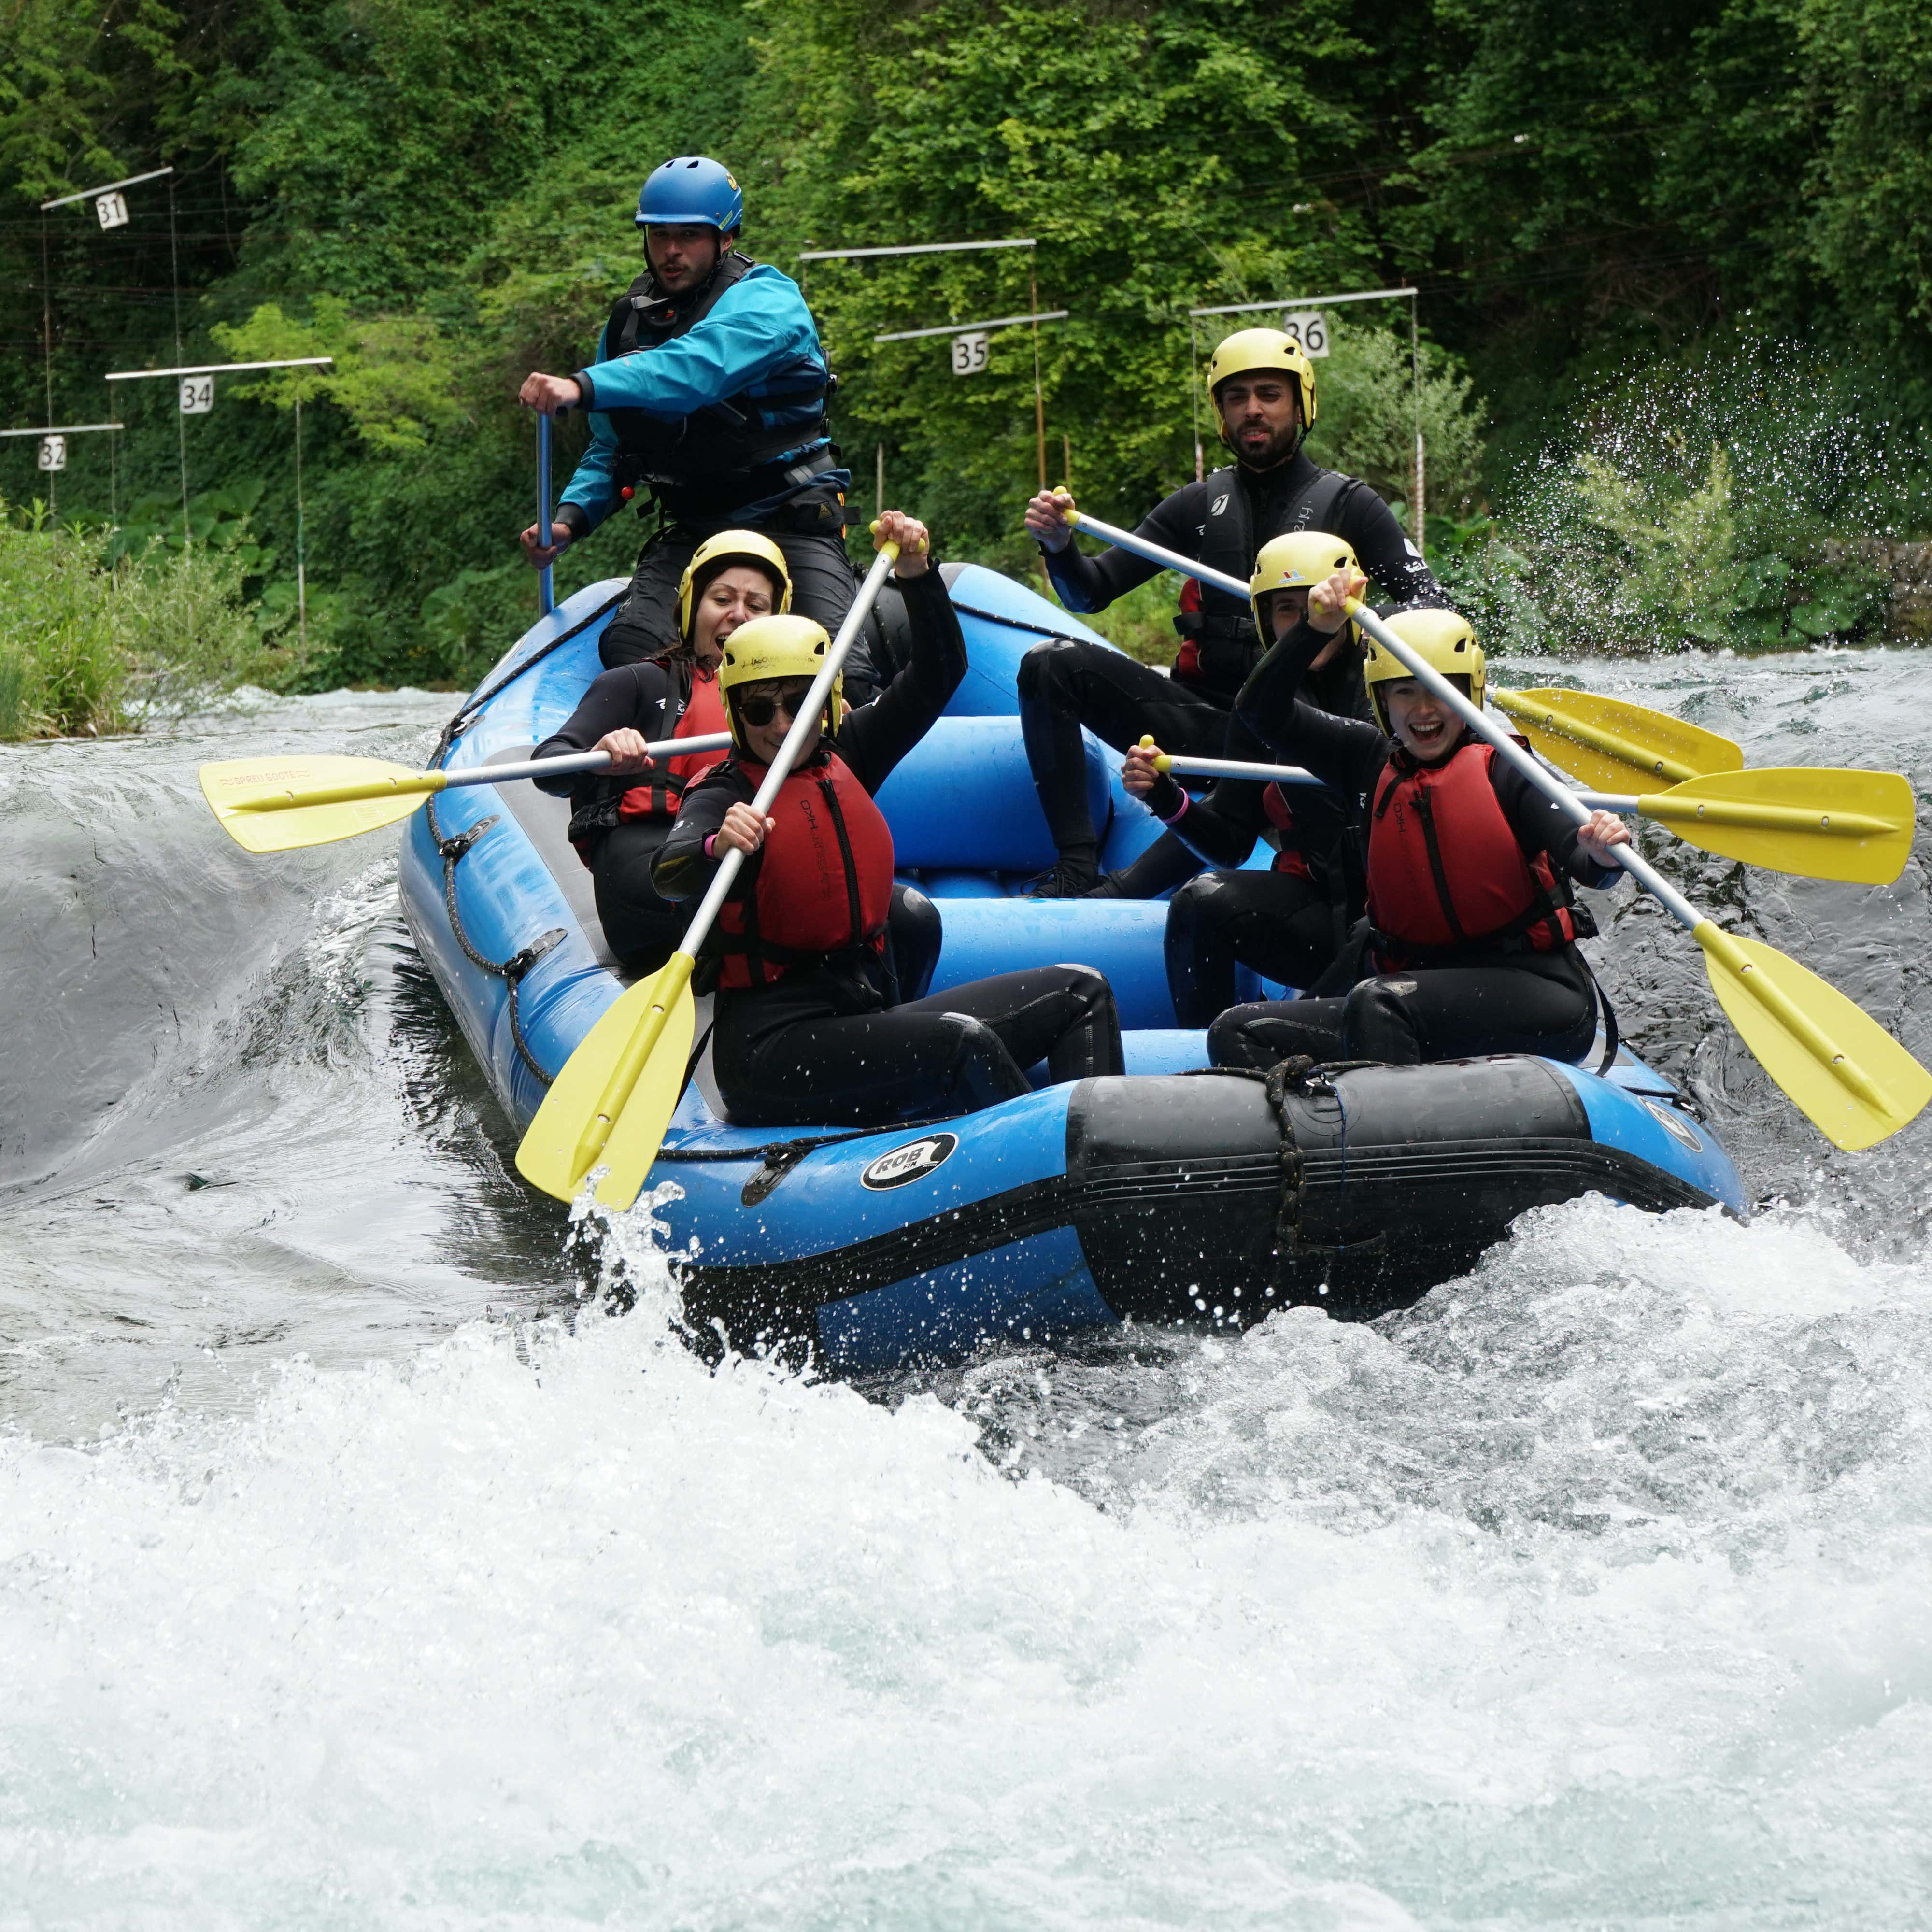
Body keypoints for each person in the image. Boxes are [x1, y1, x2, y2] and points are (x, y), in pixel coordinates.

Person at [654, 513, 1124, 1128]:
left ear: (828, 702)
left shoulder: (849, 751)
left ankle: (1108, 1147)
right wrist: (717, 846)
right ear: (737, 713)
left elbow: (938, 675)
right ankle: (1047, 1166)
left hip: (863, 1012)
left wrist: (918, 574)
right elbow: (671, 870)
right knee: (962, 1043)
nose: (782, 725)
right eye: (760, 710)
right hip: (771, 1052)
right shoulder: (724, 794)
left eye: (800, 704)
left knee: (1081, 991)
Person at [1015, 326, 1446, 896]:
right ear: (1221, 413)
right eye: (1236, 397)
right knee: (1049, 664)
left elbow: (1431, 607)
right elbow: (1090, 593)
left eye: (1269, 394)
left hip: (1295, 726)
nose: (1252, 410)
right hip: (1207, 721)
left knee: (1273, 723)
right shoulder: (1197, 505)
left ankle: (1124, 890)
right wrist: (1058, 547)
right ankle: (1075, 866)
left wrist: (1350, 614)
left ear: (1301, 403)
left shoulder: (1353, 508)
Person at [1175, 575, 1631, 1070]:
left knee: (1379, 1003)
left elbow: (1586, 861)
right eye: (1405, 692)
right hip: (1410, 989)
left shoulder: (1508, 769)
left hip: (1537, 992)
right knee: (1241, 1030)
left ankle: (1392, 1120)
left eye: (1439, 691)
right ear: (1381, 700)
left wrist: (1601, 850)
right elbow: (1259, 711)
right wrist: (1313, 628)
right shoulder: (1365, 758)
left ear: (1469, 693)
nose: (1424, 710)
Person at [516, 156, 873, 686]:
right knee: (632, 648)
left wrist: (583, 386)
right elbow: (614, 446)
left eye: (689, 235)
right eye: (659, 235)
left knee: (842, 672)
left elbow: (697, 368)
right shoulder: (629, 323)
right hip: (696, 529)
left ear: (724, 239)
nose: (672, 250)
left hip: (790, 517)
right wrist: (571, 518)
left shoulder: (770, 300)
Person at [1121, 533, 1374, 1023]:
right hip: (1324, 910)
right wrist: (1166, 798)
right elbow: (1233, 841)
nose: (1310, 617)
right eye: (1287, 610)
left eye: (1318, 604)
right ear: (1264, 620)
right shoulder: (1260, 704)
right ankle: (1207, 1052)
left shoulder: (1393, 686)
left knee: (1369, 935)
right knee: (1201, 902)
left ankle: (1314, 1020)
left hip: (1394, 918)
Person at [530, 530, 789, 973]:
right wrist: (600, 755)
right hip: (652, 863)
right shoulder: (637, 682)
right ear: (692, 608)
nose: (738, 615)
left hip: (751, 854)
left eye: (757, 605)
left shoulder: (798, 706)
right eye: (722, 599)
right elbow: (548, 767)